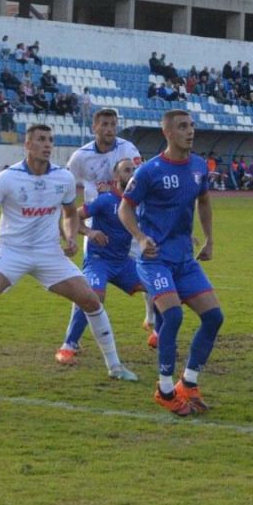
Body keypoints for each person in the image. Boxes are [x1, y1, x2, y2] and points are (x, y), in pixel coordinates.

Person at [0, 124, 136, 384]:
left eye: (50, 140)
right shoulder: (7, 178)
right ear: (28, 145)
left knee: (91, 300)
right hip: (12, 251)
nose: (47, 145)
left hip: (49, 253)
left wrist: (70, 236)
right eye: (41, 140)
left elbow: (70, 214)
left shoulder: (63, 178)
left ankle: (115, 366)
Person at [120, 109, 223, 417]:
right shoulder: (149, 171)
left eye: (191, 126)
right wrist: (139, 238)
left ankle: (188, 383)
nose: (189, 131)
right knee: (173, 316)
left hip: (184, 259)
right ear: (167, 133)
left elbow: (203, 201)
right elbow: (124, 210)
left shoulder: (198, 166)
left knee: (214, 317)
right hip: (155, 261)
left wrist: (209, 239)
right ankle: (165, 390)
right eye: (182, 127)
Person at [64, 108, 151, 341]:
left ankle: (152, 321)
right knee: (90, 289)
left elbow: (139, 180)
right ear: (95, 127)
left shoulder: (128, 149)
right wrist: (83, 229)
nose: (109, 129)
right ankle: (72, 340)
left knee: (151, 269)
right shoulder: (80, 157)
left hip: (129, 222)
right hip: (97, 224)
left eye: (113, 124)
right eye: (104, 124)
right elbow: (65, 187)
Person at [56, 159, 148, 366]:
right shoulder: (105, 201)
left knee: (158, 288)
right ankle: (69, 345)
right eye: (126, 170)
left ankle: (158, 334)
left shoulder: (138, 204)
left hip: (123, 263)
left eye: (134, 170)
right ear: (116, 177)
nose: (132, 173)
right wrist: (89, 231)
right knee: (93, 295)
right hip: (98, 261)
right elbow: (72, 216)